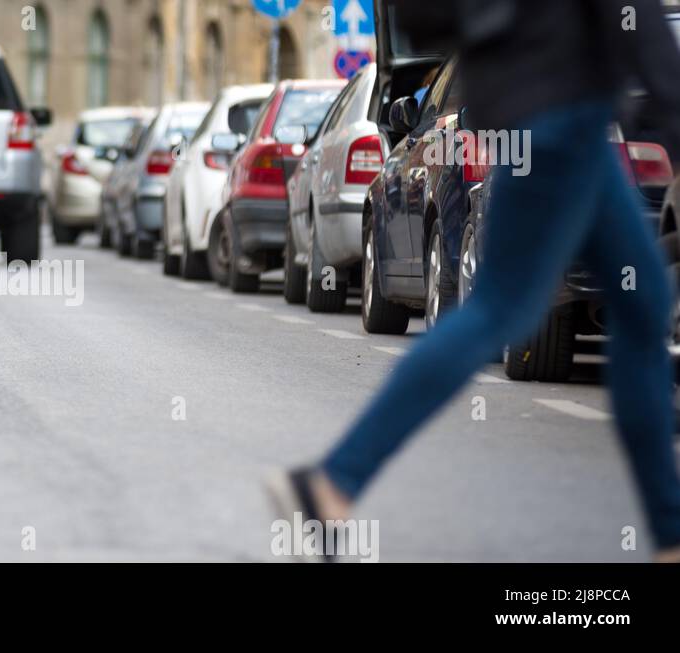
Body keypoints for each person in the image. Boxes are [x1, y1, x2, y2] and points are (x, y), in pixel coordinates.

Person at [267, 0, 680, 562]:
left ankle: (667, 536)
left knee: (639, 303)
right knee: (500, 310)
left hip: (540, 109)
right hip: (562, 113)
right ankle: (332, 484)